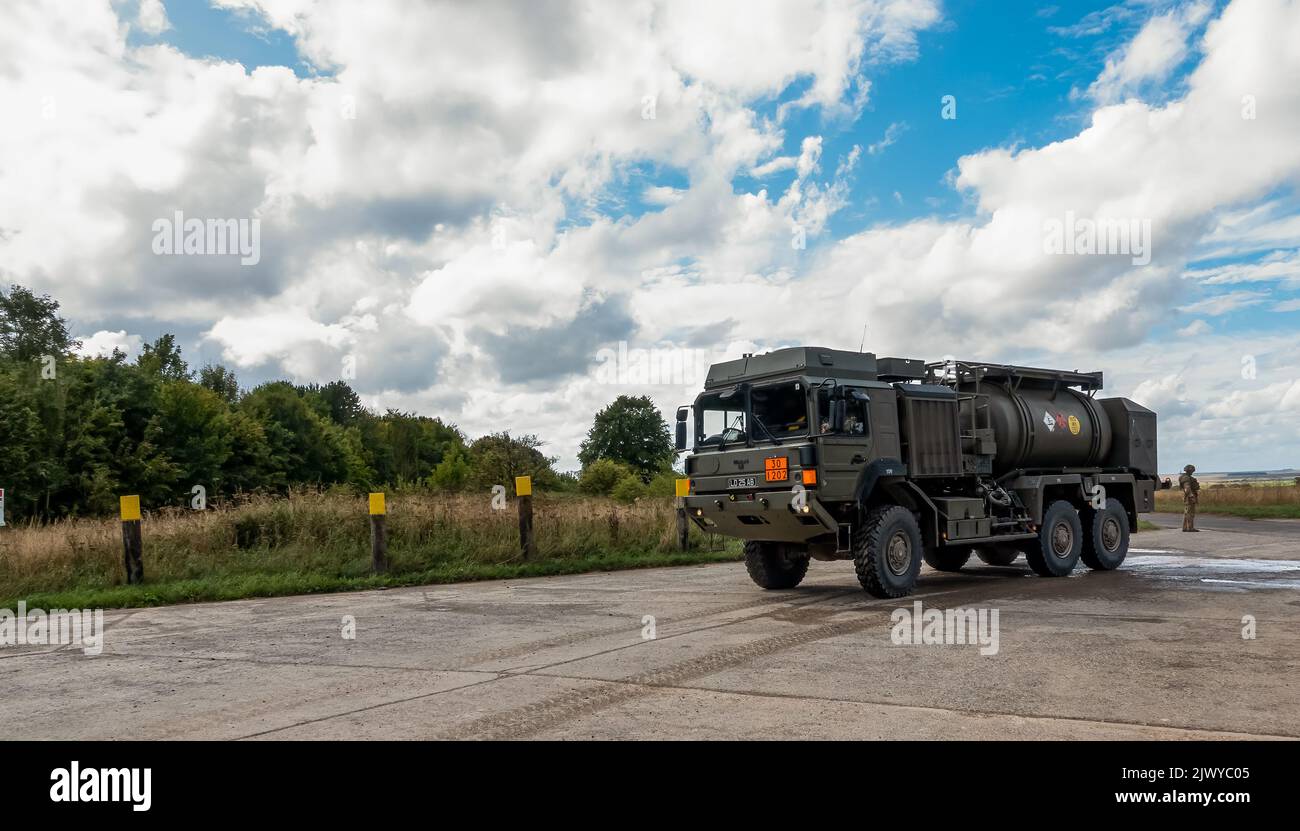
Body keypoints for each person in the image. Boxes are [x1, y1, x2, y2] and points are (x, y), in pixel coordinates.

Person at [1178, 464, 1200, 532]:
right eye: (1192, 470)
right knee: (1190, 513)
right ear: (1189, 470)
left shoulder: (1185, 477)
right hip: (1189, 497)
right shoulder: (1186, 478)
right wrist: (1191, 496)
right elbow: (1187, 488)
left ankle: (1185, 528)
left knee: (1187, 513)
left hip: (1188, 496)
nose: (1192, 472)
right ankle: (1190, 528)